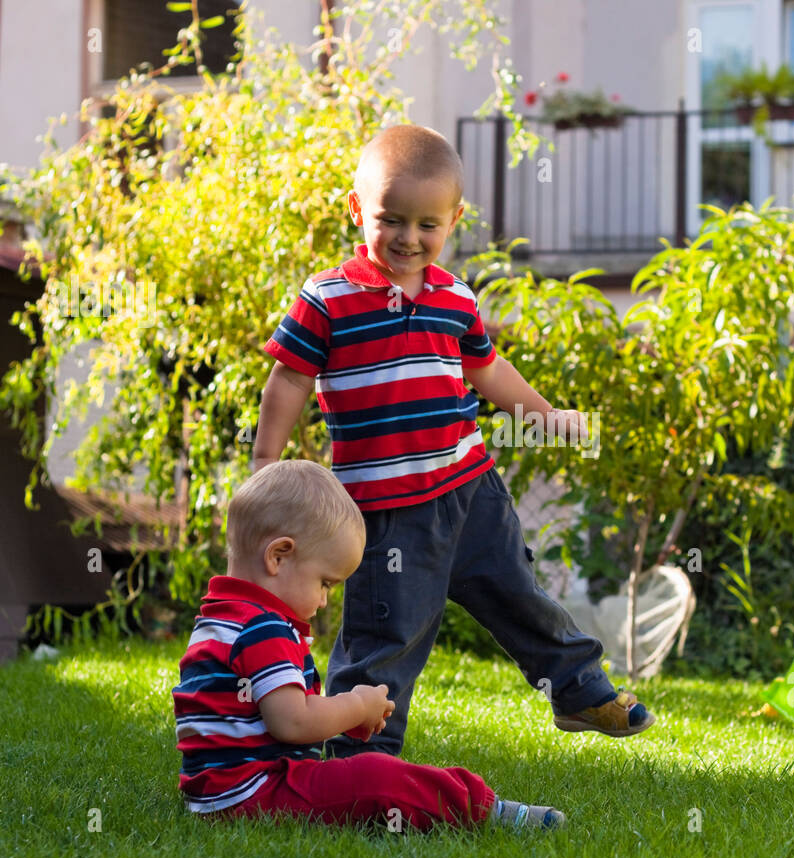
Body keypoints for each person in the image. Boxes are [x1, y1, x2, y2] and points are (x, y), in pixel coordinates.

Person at [252, 123, 655, 758]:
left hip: (471, 491)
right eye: (391, 220)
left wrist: (545, 413)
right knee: (388, 632)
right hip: (385, 512)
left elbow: (487, 369)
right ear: (358, 209)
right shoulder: (328, 298)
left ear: (453, 220)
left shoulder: (455, 297)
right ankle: (362, 761)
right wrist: (265, 459)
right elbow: (290, 377)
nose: (408, 238)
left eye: (426, 225)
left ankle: (578, 689)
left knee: (520, 593)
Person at [171, 459, 565, 830]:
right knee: (375, 776)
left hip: (218, 794)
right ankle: (484, 809)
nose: (325, 600)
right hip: (256, 793)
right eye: (325, 582)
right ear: (279, 556)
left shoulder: (222, 619)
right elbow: (292, 721)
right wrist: (357, 704)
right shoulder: (262, 628)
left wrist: (347, 719)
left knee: (362, 771)